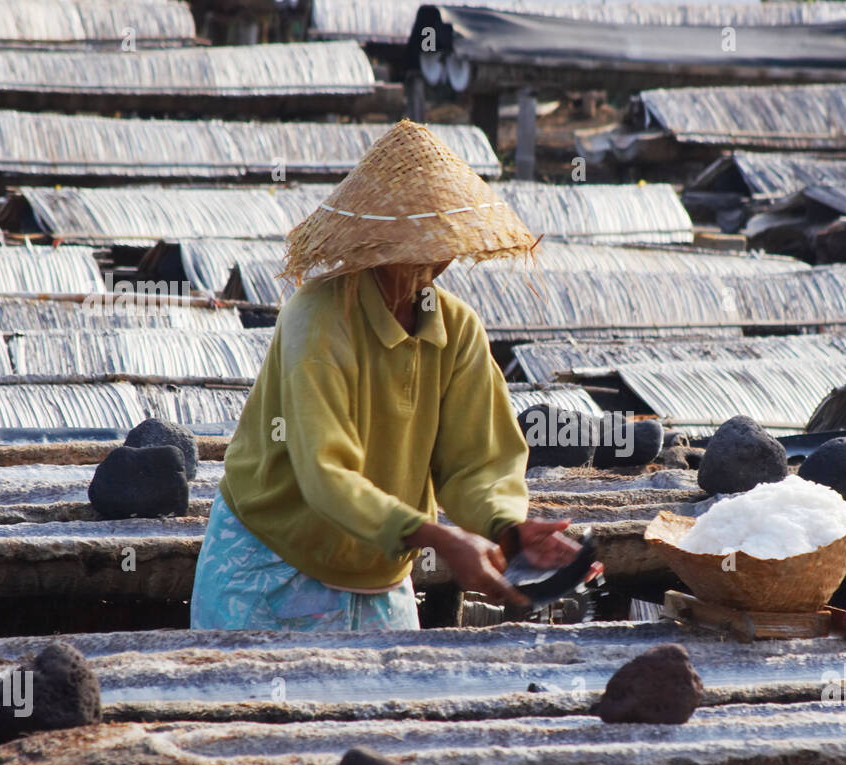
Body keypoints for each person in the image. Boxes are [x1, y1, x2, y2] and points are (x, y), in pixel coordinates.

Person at [190, 120, 595, 632]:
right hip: (269, 569)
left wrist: (508, 530)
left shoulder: (456, 328)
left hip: (381, 570)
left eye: (446, 240)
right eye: (421, 243)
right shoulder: (316, 320)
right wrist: (441, 539)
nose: (438, 258)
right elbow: (326, 474)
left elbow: (477, 463)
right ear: (377, 244)